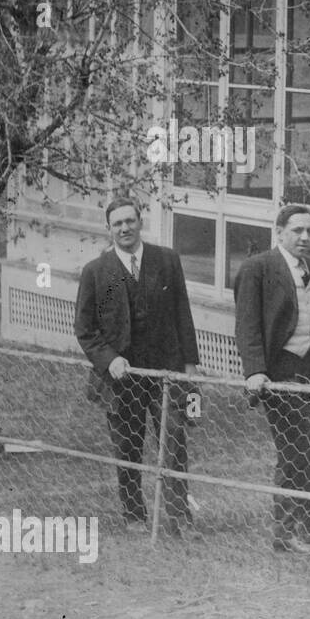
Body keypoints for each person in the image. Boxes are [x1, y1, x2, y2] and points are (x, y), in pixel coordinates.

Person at [74, 196, 200, 533]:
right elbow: (84, 330)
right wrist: (109, 359)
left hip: (165, 372)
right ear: (108, 228)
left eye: (130, 221)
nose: (125, 228)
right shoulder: (95, 272)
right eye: (117, 223)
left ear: (140, 222)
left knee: (174, 441)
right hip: (122, 377)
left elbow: (183, 314)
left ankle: (179, 516)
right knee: (127, 446)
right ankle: (133, 514)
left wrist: (190, 364)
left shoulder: (167, 260)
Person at [233, 204, 310, 555]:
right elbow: (247, 322)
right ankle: (286, 529)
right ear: (279, 232)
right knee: (300, 451)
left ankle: (304, 526)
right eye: (297, 230)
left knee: (309, 454)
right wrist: (255, 369)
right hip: (280, 374)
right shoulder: (258, 268)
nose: (305, 237)